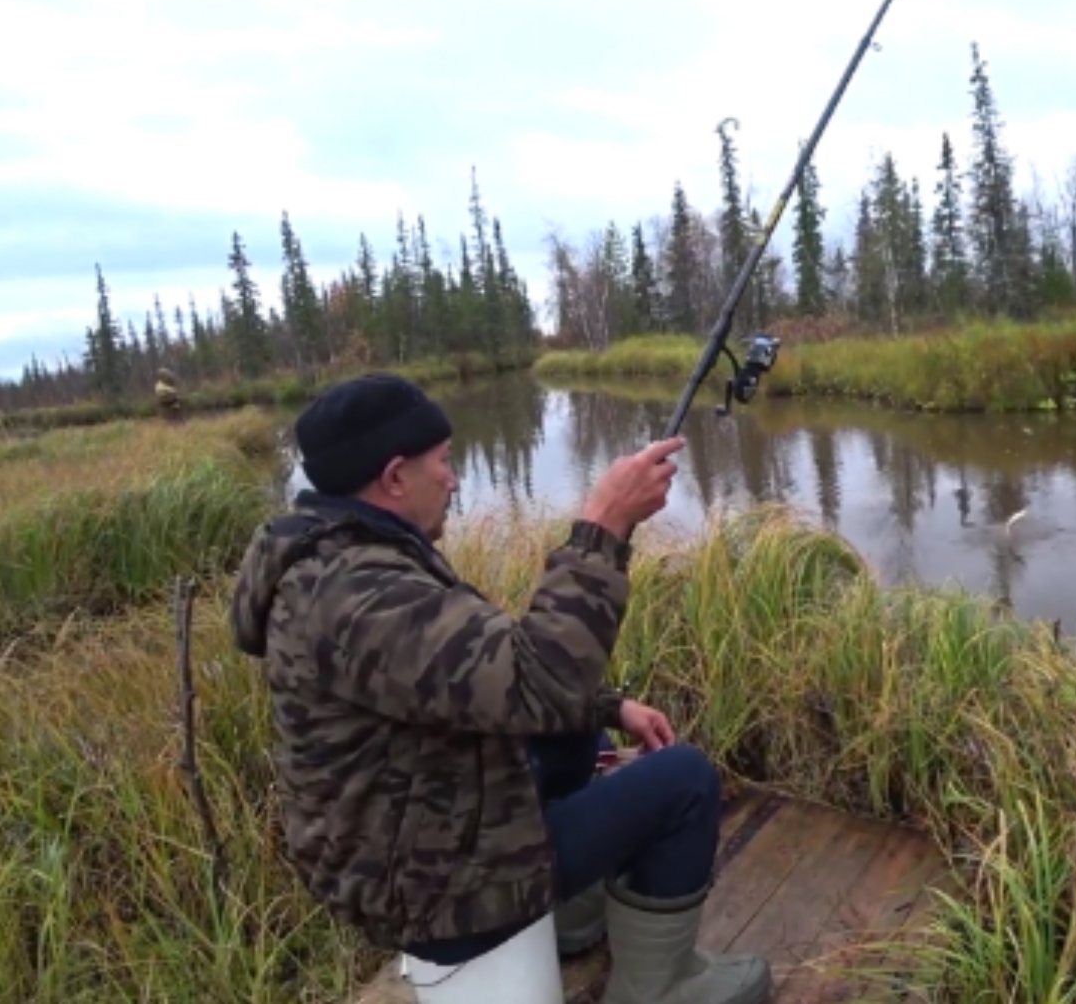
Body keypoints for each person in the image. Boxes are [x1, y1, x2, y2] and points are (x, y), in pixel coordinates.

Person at [228, 373, 771, 1004]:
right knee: (686, 782)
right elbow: (537, 682)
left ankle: (569, 922)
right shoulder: (360, 593)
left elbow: (474, 678)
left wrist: (608, 706)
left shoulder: (340, 561)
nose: (455, 479)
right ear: (396, 477)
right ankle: (661, 988)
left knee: (574, 730)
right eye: (445, 463)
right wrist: (605, 523)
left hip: (411, 837)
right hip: (436, 887)